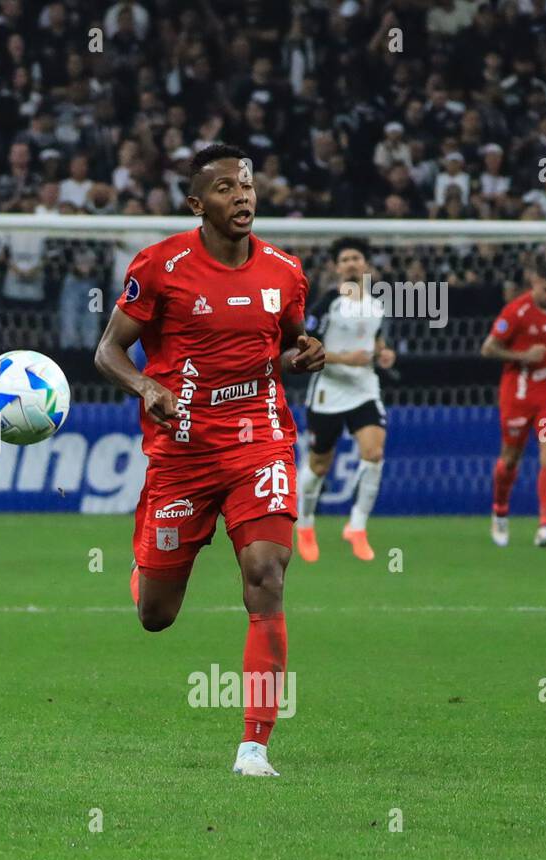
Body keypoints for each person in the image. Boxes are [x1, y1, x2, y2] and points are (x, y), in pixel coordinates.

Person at [94, 144, 325, 778]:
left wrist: (301, 357)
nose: (242, 197)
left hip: (261, 440)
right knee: (156, 616)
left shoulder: (285, 271)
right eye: (225, 189)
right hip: (183, 452)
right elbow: (108, 351)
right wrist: (145, 386)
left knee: (266, 575)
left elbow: (283, 348)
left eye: (247, 185)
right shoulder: (161, 266)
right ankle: (148, 557)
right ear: (198, 203)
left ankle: (255, 745)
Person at [296, 237, 396, 562]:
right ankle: (306, 524)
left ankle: (356, 525)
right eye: (345, 259)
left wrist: (383, 353)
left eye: (356, 258)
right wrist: (342, 359)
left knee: (374, 452)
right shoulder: (326, 304)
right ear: (336, 268)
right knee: (319, 464)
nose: (352, 263)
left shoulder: (378, 304)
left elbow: (376, 339)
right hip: (328, 391)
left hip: (364, 389)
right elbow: (305, 348)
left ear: (365, 264)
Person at [481, 259, 546, 547]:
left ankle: (545, 527)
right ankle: (500, 511)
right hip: (519, 395)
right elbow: (488, 348)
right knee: (510, 458)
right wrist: (523, 356)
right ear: (533, 283)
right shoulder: (516, 312)